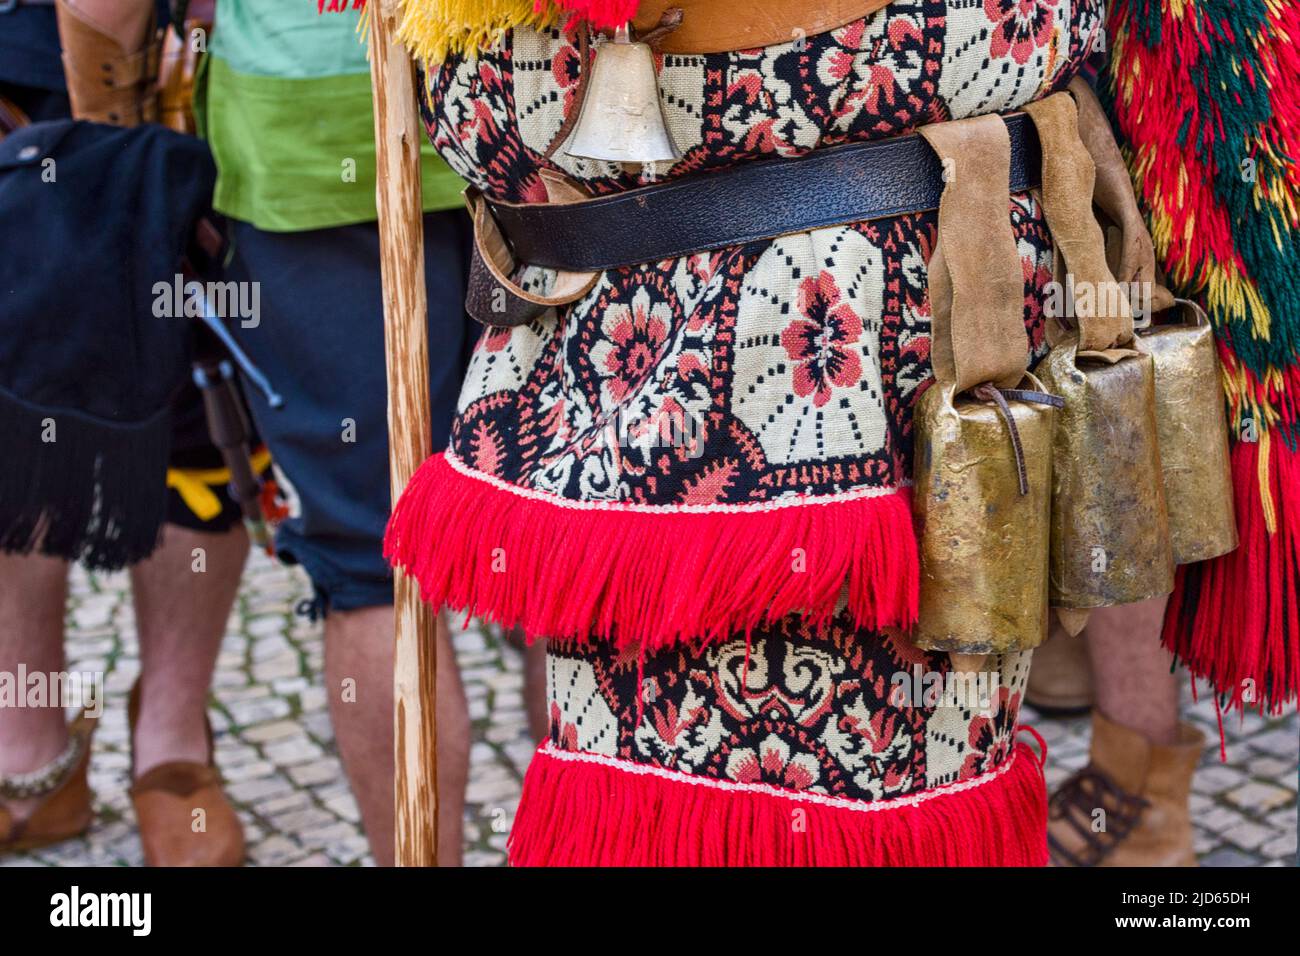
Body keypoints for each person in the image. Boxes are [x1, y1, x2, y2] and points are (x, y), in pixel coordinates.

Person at [376, 0, 1188, 865]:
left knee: (849, 809)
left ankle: (1144, 774)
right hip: (614, 298)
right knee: (642, 776)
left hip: (855, 283)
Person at [199, 0, 548, 865]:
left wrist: (115, 118)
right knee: (530, 536)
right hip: (537, 113)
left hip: (366, 132)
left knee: (392, 558)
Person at [0, 0, 248, 865]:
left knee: (187, 387)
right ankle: (28, 751)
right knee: (17, 401)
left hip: (181, 51)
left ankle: (172, 742)